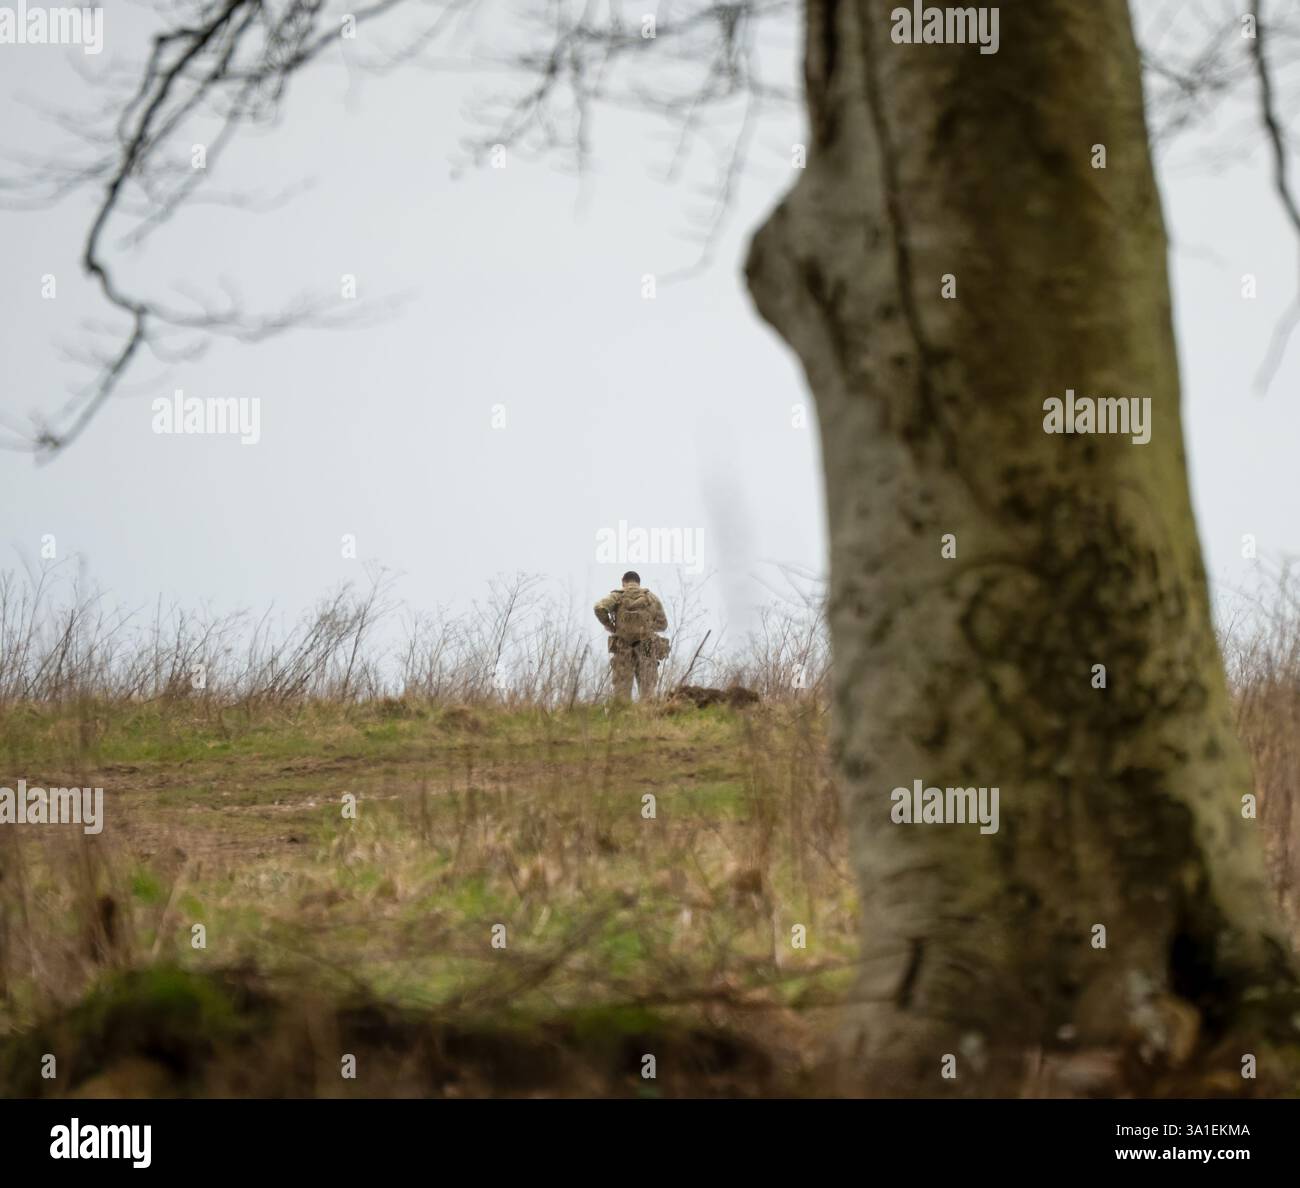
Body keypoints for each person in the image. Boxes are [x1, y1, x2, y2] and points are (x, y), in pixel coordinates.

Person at [594, 571, 669, 700]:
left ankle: (623, 717)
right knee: (648, 691)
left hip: (623, 645)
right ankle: (648, 716)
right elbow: (663, 625)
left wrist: (610, 625)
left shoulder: (617, 595)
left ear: (623, 582)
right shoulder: (652, 598)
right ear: (638, 583)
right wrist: (648, 627)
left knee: (621, 693)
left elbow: (599, 607)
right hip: (646, 645)